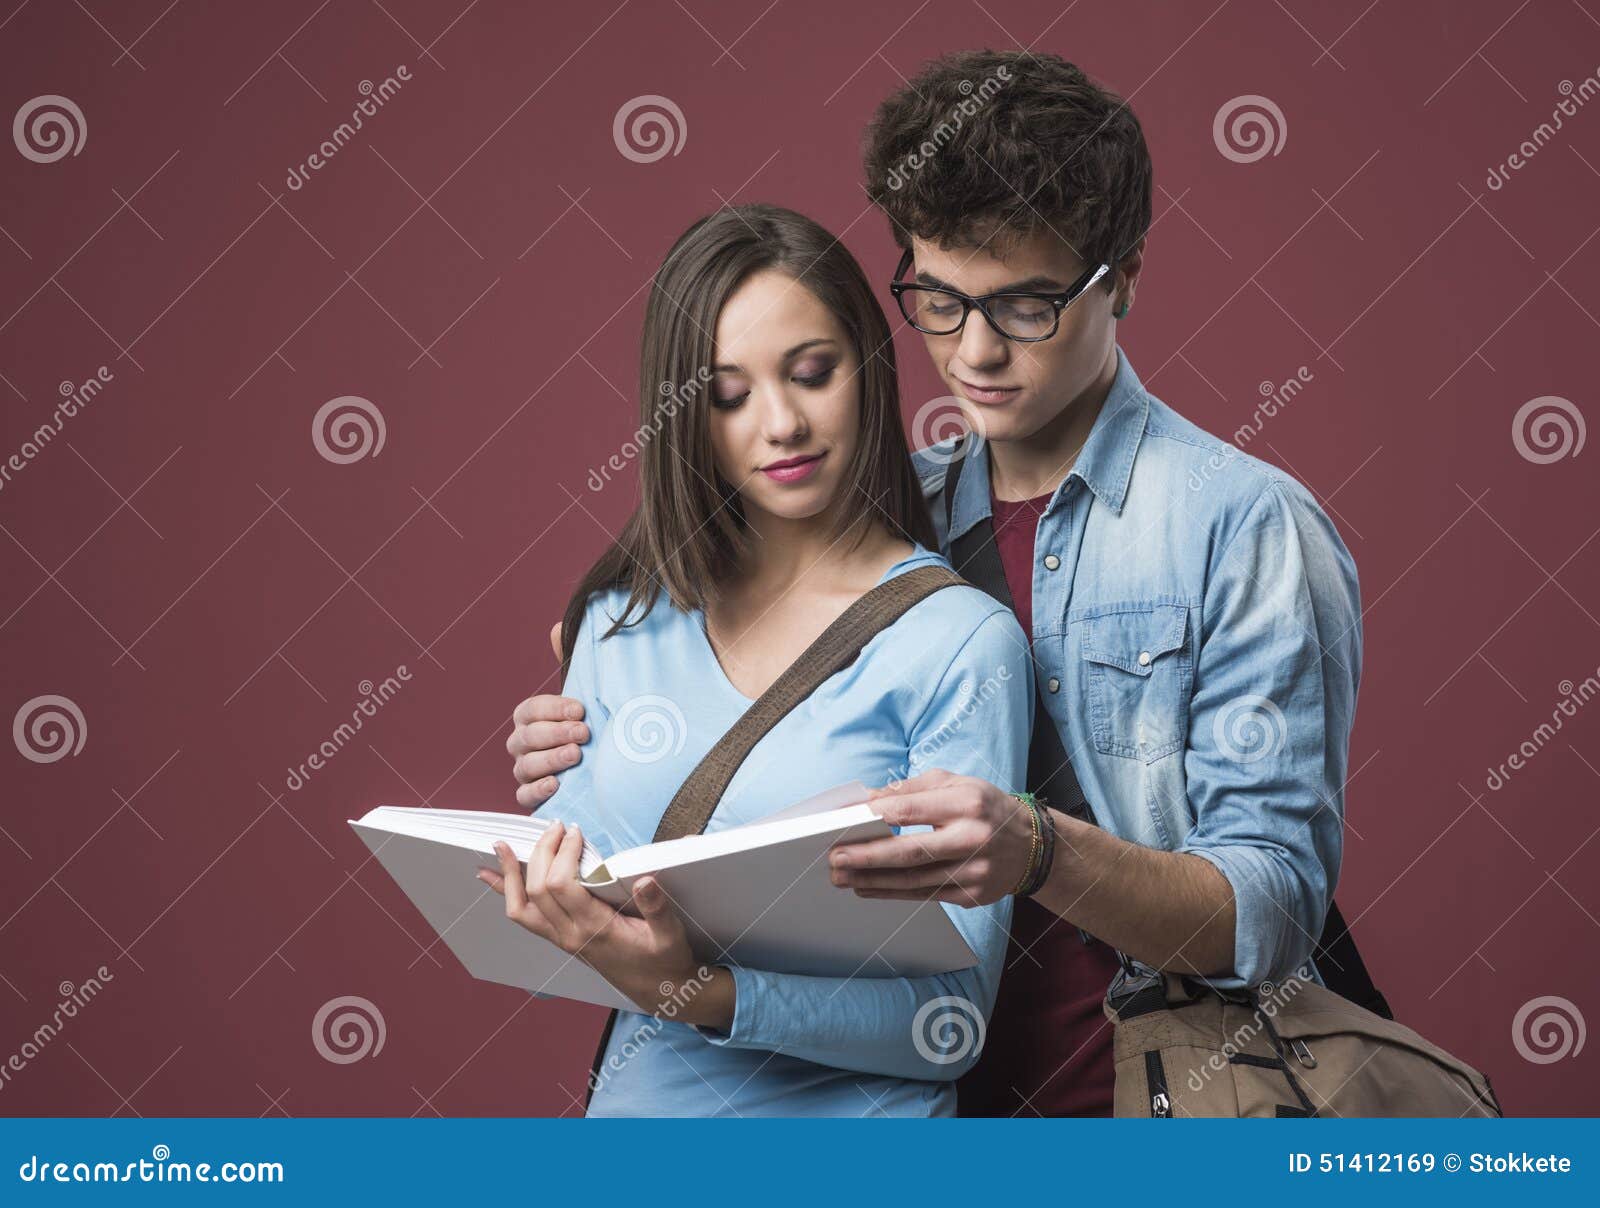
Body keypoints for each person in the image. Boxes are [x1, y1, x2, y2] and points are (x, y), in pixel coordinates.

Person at [509, 51, 1362, 1117]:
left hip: (1139, 1105)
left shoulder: (1240, 524)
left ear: (1125, 274)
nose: (976, 351)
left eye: (1027, 305)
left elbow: (1272, 911)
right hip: (898, 1100)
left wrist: (1037, 847)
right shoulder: (888, 512)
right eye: (940, 300)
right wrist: (607, 720)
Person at [482, 202, 1033, 1117]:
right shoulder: (617, 622)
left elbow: (948, 1023)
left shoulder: (958, 642)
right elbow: (578, 921)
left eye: (813, 374)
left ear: (868, 366)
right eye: (728, 396)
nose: (780, 423)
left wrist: (690, 988)